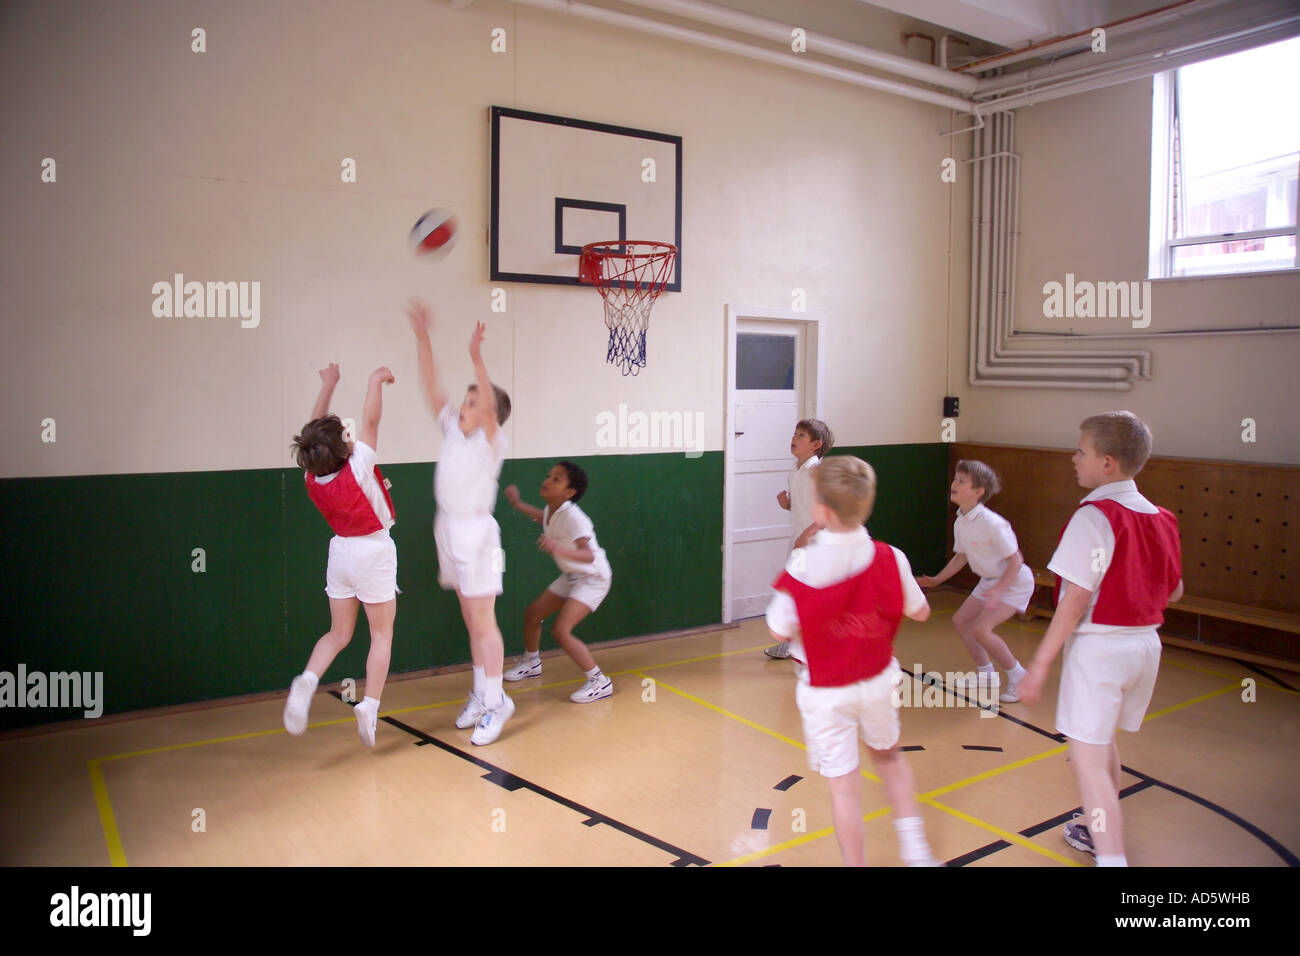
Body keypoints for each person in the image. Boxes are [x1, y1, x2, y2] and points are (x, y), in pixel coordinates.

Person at [1018, 412, 1183, 866]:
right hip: (1145, 647)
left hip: (1101, 652)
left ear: (1106, 462)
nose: (1074, 458)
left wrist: (1039, 665)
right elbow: (1175, 589)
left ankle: (1113, 859)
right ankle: (1096, 831)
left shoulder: (1093, 517)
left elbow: (1072, 602)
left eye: (1080, 450)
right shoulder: (1162, 518)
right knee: (1103, 742)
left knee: (1088, 767)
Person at [766, 456, 939, 866]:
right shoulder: (891, 557)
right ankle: (917, 851)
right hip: (877, 681)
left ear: (821, 510)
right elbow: (921, 611)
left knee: (845, 789)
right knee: (890, 758)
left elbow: (777, 628)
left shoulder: (804, 563)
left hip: (826, 690)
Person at [407, 300, 514, 745]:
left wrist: (476, 357)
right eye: (467, 401)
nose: (465, 406)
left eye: (474, 402)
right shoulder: (453, 428)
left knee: (485, 621)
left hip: (477, 535)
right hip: (447, 529)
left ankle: (497, 703)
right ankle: (480, 691)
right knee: (472, 619)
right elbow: (431, 385)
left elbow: (489, 408)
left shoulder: (493, 442)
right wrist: (423, 336)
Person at [284, 362, 397, 747]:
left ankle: (308, 679)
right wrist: (374, 379)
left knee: (339, 633)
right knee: (381, 635)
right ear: (343, 445)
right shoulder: (359, 464)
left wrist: (329, 384)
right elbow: (372, 418)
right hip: (374, 551)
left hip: (341, 553)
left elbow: (313, 432)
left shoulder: (312, 477)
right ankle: (370, 705)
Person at [502, 461, 614, 702]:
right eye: (549, 475)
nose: (548, 480)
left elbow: (588, 554)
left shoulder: (575, 518)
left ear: (569, 492)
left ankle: (599, 681)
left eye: (557, 479)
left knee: (561, 631)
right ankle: (532, 663)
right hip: (572, 575)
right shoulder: (552, 511)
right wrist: (517, 503)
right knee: (533, 614)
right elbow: (540, 516)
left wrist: (557, 549)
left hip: (593, 578)